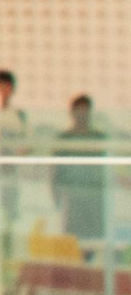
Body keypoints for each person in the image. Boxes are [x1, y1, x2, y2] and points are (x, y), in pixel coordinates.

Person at [53, 94, 109, 242]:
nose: (82, 115)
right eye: (79, 111)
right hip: (72, 196)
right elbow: (56, 169)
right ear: (72, 113)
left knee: (94, 238)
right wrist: (55, 194)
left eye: (86, 111)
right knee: (72, 238)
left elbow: (106, 169)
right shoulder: (64, 138)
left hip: (95, 195)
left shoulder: (99, 138)